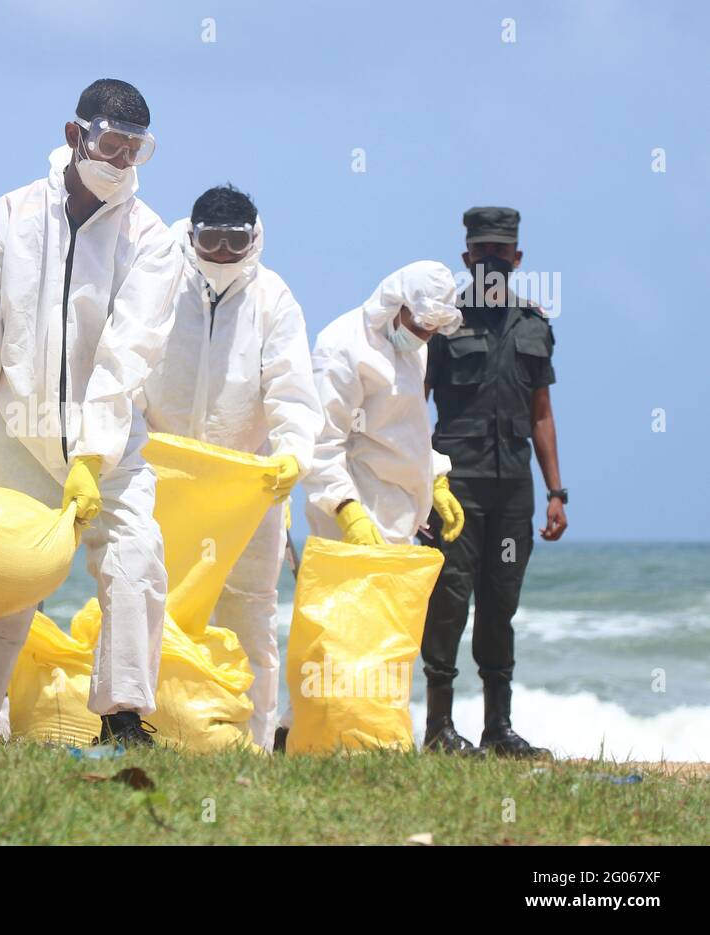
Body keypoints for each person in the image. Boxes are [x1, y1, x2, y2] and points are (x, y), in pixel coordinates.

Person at [0, 78, 182, 745]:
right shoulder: (6, 219)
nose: (121, 162)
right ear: (75, 135)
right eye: (110, 144)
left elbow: (128, 353)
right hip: (18, 432)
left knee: (136, 560)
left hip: (111, 442)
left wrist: (94, 456)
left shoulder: (152, 241)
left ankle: (123, 720)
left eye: (136, 150)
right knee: (6, 587)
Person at [142, 185, 321, 752]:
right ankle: (158, 730)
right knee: (152, 604)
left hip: (250, 488)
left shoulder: (273, 298)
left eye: (234, 241)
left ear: (255, 238)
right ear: (190, 235)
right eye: (209, 240)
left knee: (250, 616)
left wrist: (293, 452)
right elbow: (126, 365)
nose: (221, 253)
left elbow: (291, 386)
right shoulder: (158, 281)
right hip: (165, 481)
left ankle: (252, 741)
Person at [297, 261, 467, 751]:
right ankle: (329, 739)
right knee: (344, 640)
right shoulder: (342, 347)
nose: (422, 336)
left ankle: (366, 737)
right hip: (352, 518)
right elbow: (323, 442)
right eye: (418, 326)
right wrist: (346, 509)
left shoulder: (413, 349)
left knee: (384, 643)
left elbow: (410, 427)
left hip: (396, 519)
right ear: (396, 307)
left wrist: (435, 479)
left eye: (432, 330)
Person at [421, 207, 565, 758]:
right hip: (454, 489)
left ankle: (497, 730)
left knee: (501, 604)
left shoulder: (534, 324)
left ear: (517, 258)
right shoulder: (444, 321)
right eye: (482, 253)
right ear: (467, 258)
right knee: (449, 602)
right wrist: (418, 488)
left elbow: (543, 412)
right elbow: (419, 403)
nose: (491, 262)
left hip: (513, 492)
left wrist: (556, 492)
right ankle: (439, 729)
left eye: (501, 253)